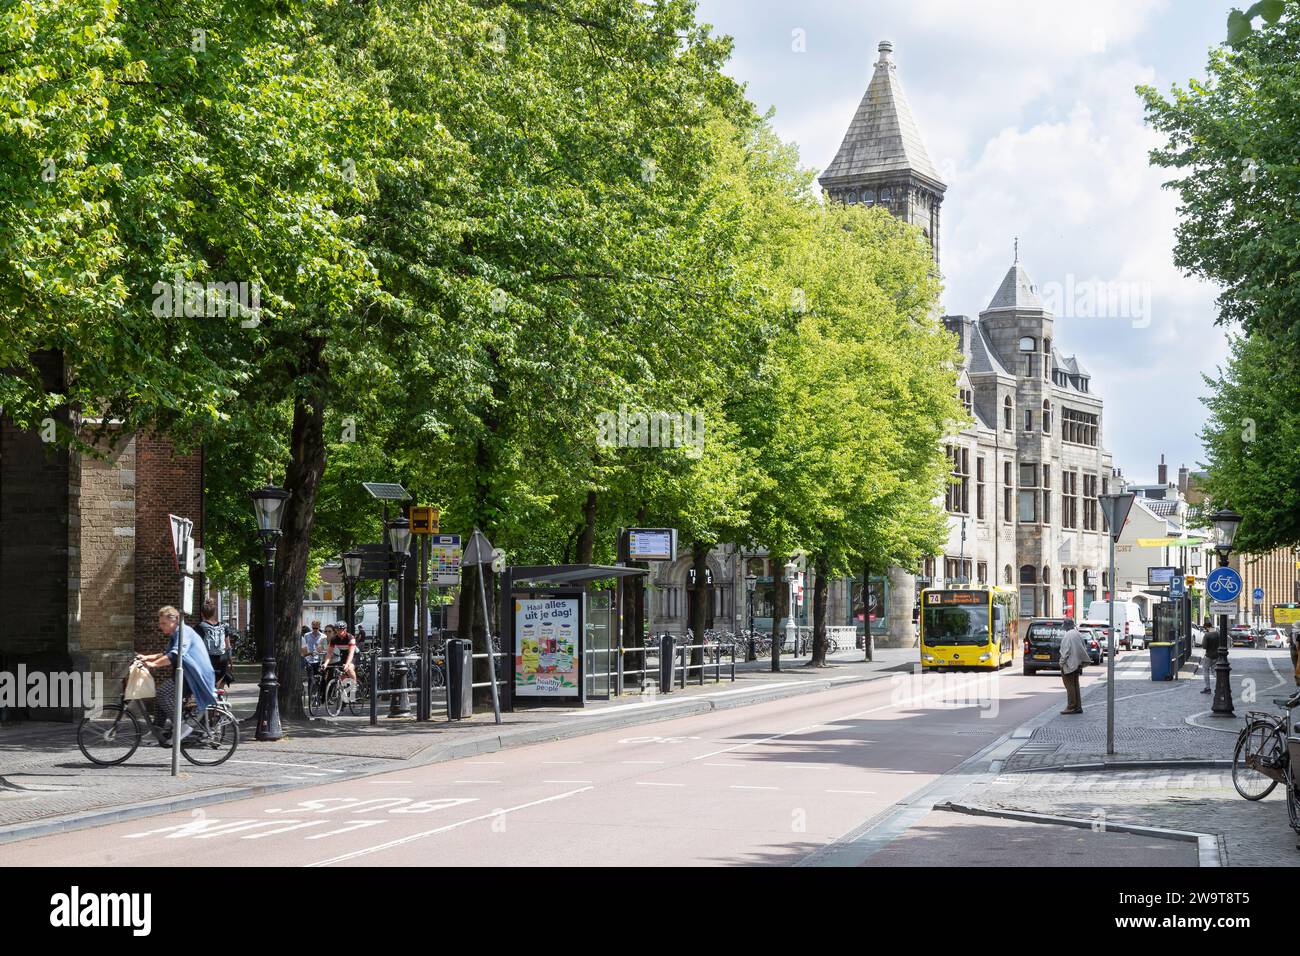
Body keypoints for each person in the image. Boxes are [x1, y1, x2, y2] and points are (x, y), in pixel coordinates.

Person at [138, 606, 217, 743]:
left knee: (163, 694)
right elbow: (166, 653)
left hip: (195, 676)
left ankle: (182, 726)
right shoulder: (176, 634)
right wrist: (147, 657)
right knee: (161, 695)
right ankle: (158, 729)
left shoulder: (183, 632)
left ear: (176, 620)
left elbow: (176, 654)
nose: (160, 626)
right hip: (186, 674)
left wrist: (154, 664)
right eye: (160, 622)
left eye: (164, 623)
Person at [195, 599, 232, 688]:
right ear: (214, 613)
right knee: (224, 676)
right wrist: (230, 661)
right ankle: (220, 695)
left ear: (202, 614)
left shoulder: (200, 627)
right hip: (222, 658)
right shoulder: (223, 626)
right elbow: (228, 646)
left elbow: (196, 646)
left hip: (208, 658)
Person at [1057, 616, 1089, 715]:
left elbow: (1065, 652)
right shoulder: (1078, 634)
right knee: (1075, 685)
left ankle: (1071, 706)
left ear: (1066, 626)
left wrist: (1061, 663)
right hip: (1077, 664)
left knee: (1069, 686)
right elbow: (1083, 647)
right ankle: (1078, 706)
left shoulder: (1068, 636)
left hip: (1069, 664)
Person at [1202, 620, 1220, 694]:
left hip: (1209, 655)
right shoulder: (1218, 633)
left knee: (1205, 670)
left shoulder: (1207, 635)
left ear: (1207, 627)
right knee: (1214, 672)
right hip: (1217, 655)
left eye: (1205, 628)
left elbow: (1204, 646)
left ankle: (1208, 688)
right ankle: (1219, 687)